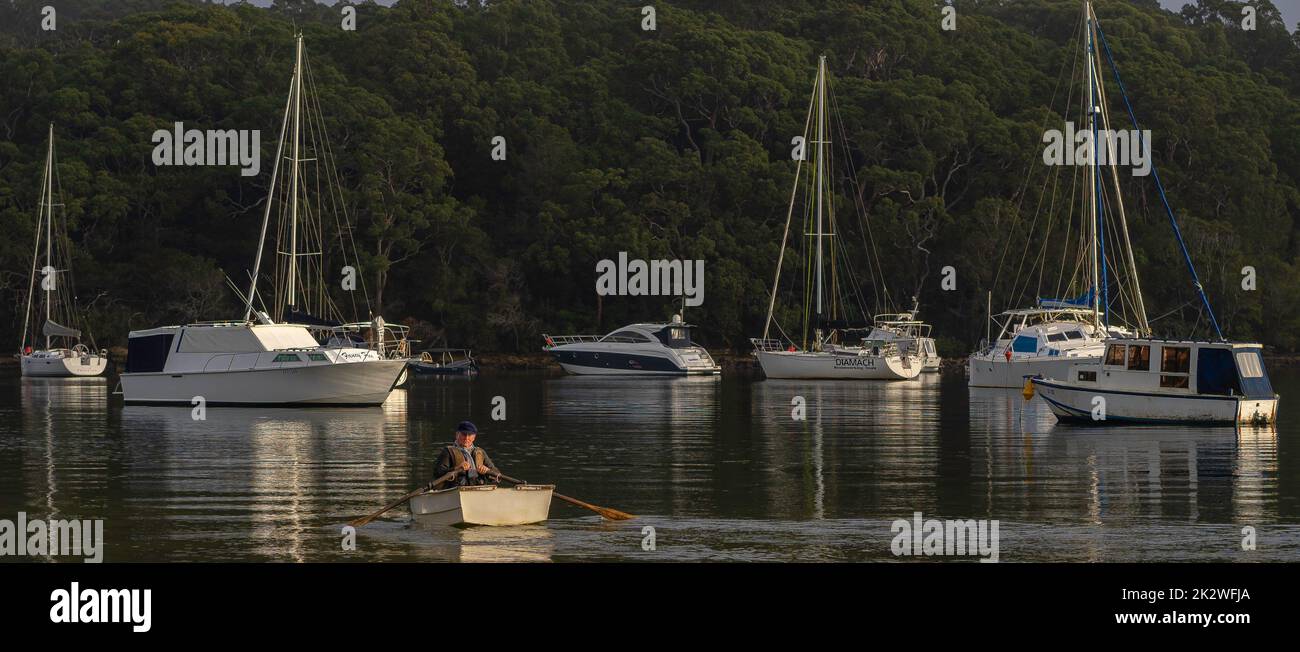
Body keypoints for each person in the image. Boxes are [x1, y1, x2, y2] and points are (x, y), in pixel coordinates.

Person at [433, 421, 499, 488]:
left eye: (469, 435)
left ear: (474, 437)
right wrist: (456, 468)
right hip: (456, 489)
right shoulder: (448, 452)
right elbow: (438, 473)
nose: (466, 438)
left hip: (478, 489)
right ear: (457, 435)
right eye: (464, 434)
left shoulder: (481, 452)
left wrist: (487, 471)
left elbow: (497, 475)